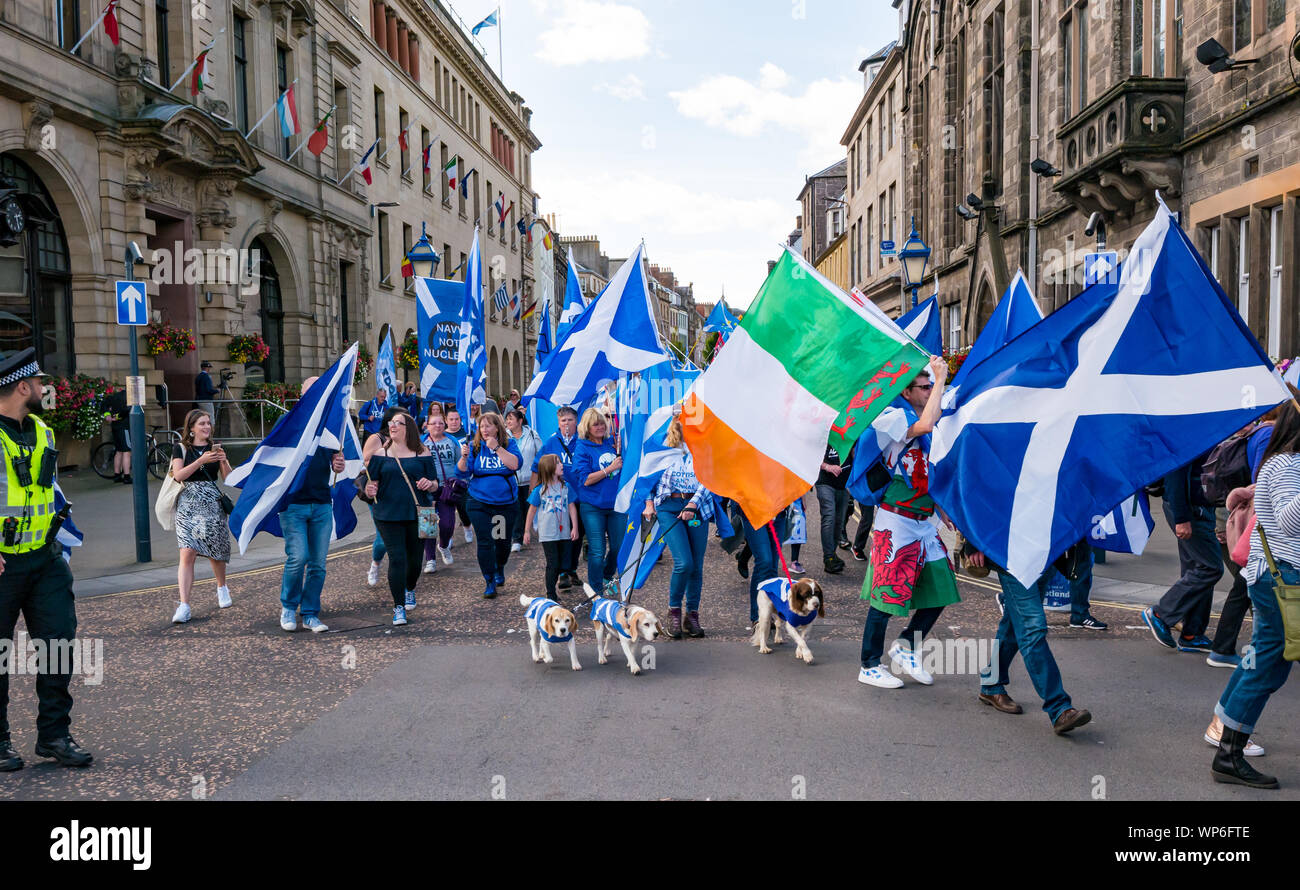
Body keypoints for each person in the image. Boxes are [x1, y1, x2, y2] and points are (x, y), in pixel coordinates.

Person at [0, 349, 93, 770]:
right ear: (23, 387)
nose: (43, 388)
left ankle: (54, 736)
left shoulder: (41, 430)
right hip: (2, 564)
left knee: (58, 645)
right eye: (38, 383)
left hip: (45, 557)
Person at [1211, 398, 1300, 789]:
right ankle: (1228, 753)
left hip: (1278, 574)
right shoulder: (1285, 464)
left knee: (1266, 658)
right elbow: (1287, 520)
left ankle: (1225, 732)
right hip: (1279, 577)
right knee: (1268, 662)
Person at [857, 359, 961, 690]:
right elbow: (927, 425)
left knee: (941, 588)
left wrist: (941, 506)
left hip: (923, 520)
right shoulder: (892, 417)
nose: (931, 391)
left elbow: (926, 470)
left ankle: (906, 647)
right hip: (896, 522)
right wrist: (941, 375)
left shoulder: (918, 418)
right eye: (925, 386)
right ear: (906, 390)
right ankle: (869, 664)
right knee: (886, 596)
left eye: (931, 385)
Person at [968, 545, 1094, 735]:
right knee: (1032, 629)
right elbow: (978, 512)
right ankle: (1059, 707)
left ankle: (991, 683)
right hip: (1011, 552)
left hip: (1044, 553)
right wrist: (974, 543)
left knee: (1013, 622)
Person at [277, 376, 347, 634]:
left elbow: (336, 462)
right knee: (298, 557)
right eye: (312, 391)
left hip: (321, 503)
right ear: (303, 394)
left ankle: (309, 613)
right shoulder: (287, 422)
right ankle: (288, 606)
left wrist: (337, 464)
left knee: (318, 564)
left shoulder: (331, 426)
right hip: (293, 504)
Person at [1208, 412, 1277, 668]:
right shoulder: (1268, 434)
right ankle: (1228, 649)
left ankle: (1240, 648)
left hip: (1236, 518)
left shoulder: (1257, 433)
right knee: (1248, 584)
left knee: (1249, 585)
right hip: (1247, 522)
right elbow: (1261, 484)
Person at [1142, 450, 1225, 653]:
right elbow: (1175, 475)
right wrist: (1181, 518)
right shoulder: (1193, 430)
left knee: (1196, 568)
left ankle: (1192, 634)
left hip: (1197, 507)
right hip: (1190, 510)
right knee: (1210, 568)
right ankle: (1161, 614)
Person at [363, 411, 438, 626]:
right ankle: (398, 607)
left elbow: (436, 484)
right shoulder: (380, 454)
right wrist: (369, 490)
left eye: (398, 422)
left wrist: (429, 484)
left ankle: (410, 588)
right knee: (397, 559)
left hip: (423, 513)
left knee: (415, 562)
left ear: (408, 427)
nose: (393, 425)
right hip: (388, 514)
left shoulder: (422, 452)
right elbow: (370, 485)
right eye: (391, 422)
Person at [644, 416, 713, 639]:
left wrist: (693, 504)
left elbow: (710, 479)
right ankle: (674, 610)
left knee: (697, 566)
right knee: (684, 562)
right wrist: (648, 502)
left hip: (697, 507)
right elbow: (646, 476)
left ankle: (691, 615)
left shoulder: (704, 446)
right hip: (669, 506)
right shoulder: (663, 446)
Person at [169, 409, 233, 624]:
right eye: (202, 424)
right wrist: (200, 461)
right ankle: (184, 605)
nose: (206, 427)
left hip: (212, 505)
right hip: (188, 504)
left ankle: (222, 587)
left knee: (215, 550)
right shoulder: (180, 449)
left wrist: (223, 461)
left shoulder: (215, 448)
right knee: (188, 552)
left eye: (208, 423)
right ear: (192, 428)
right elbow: (179, 476)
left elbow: (229, 479)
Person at [456, 412, 522, 598]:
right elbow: (461, 472)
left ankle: (499, 566)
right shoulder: (474, 447)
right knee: (485, 542)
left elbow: (515, 464)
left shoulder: (509, 444)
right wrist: (463, 457)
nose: (484, 430)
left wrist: (498, 448)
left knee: (501, 543)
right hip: (479, 502)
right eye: (481, 426)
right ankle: (489, 580)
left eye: (488, 426)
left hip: (504, 504)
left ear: (497, 427)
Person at [571, 408, 625, 590]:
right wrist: (609, 469)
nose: (600, 426)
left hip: (616, 505)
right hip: (593, 506)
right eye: (596, 424)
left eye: (602, 423)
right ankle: (596, 591)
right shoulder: (582, 447)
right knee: (597, 550)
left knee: (618, 547)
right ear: (587, 427)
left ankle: (606, 575)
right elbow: (585, 479)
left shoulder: (612, 443)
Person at [534, 406, 583, 588]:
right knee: (561, 537)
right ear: (558, 423)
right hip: (558, 498)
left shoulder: (582, 441)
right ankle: (562, 572)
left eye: (570, 420)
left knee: (577, 536)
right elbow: (536, 467)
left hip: (579, 496)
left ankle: (571, 568)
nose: (567, 424)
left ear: (576, 421)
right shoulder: (551, 442)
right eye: (563, 421)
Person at [523, 454, 579, 603]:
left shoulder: (566, 487)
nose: (562, 465)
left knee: (564, 564)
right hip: (548, 534)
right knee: (553, 563)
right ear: (549, 468)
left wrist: (575, 527)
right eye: (558, 463)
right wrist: (527, 531)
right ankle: (551, 594)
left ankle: (559, 580)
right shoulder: (540, 490)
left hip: (564, 532)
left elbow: (572, 507)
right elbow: (531, 511)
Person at [421, 412, 459, 571]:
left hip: (447, 488)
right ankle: (430, 559)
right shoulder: (420, 443)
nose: (437, 426)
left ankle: (443, 546)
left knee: (447, 524)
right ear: (427, 426)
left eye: (440, 423)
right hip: (426, 488)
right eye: (434, 423)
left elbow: (459, 463)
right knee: (427, 524)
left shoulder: (452, 441)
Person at [505, 409, 542, 553]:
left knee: (529, 508)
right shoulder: (503, 437)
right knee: (516, 510)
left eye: (511, 419)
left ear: (520, 421)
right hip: (511, 480)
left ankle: (531, 531)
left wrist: (538, 476)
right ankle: (516, 539)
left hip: (530, 480)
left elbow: (540, 455)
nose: (508, 422)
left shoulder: (532, 434)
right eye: (506, 419)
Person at [815, 441, 852, 574]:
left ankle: (832, 554)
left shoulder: (852, 433)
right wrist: (827, 467)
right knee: (829, 516)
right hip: (825, 482)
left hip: (843, 484)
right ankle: (828, 558)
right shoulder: (825, 431)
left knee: (839, 521)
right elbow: (811, 456)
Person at [444, 408, 474, 545]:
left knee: (463, 509)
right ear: (446, 420)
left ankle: (467, 527)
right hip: (445, 480)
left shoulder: (468, 433)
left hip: (463, 479)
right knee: (446, 513)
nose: (454, 422)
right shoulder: (441, 435)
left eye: (457, 419)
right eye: (451, 419)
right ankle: (447, 539)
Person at [102, 387, 132, 484]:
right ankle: (127, 476)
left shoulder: (114, 396)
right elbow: (127, 409)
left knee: (119, 451)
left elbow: (104, 404)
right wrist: (119, 416)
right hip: (124, 427)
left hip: (115, 427)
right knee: (127, 451)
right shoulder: (129, 397)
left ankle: (117, 475)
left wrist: (108, 415)